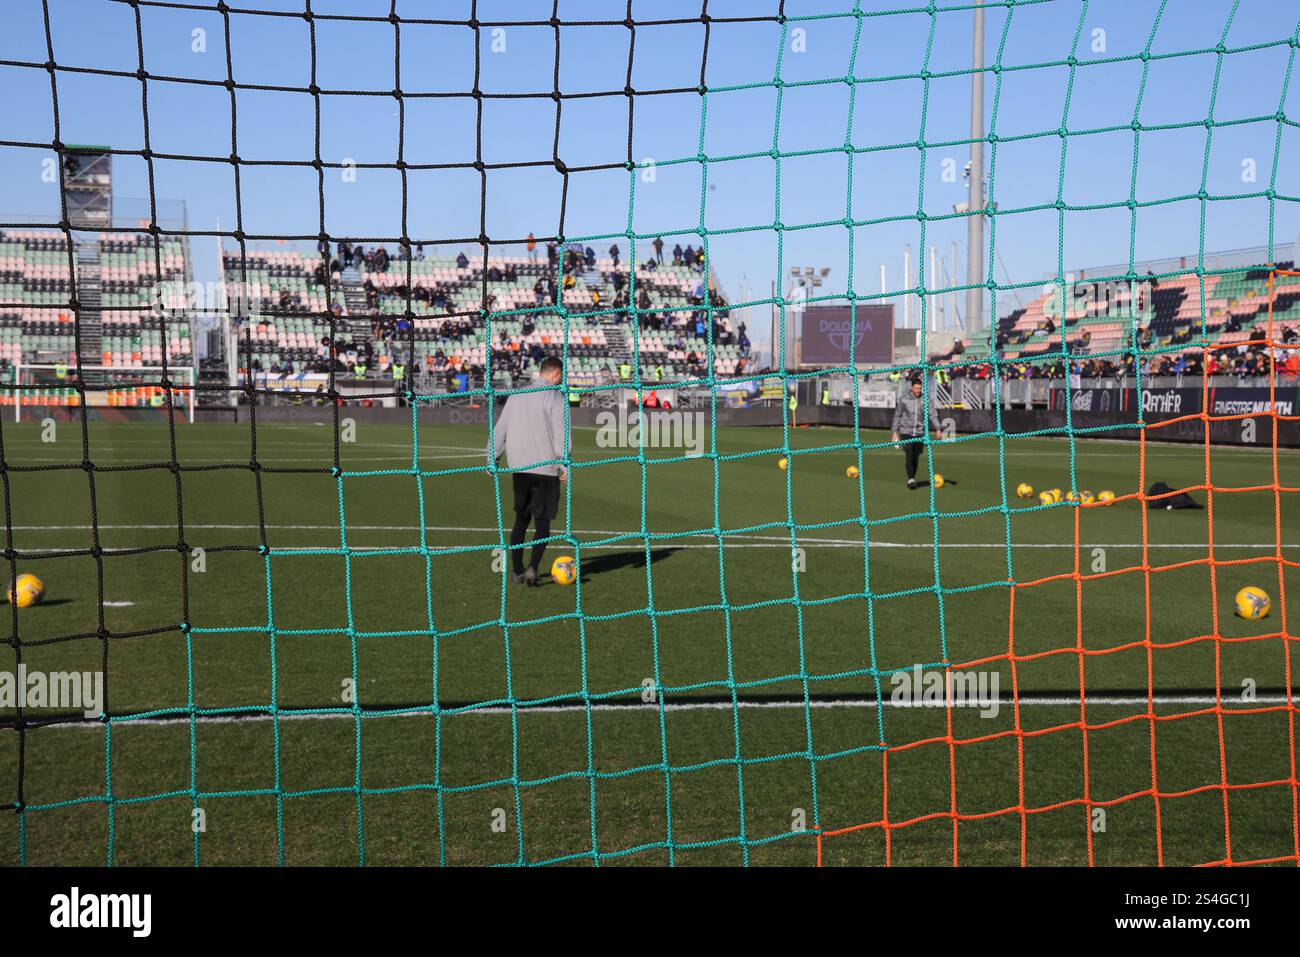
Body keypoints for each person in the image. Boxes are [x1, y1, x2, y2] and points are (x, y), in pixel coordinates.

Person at [490, 355, 570, 586]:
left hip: (521, 469)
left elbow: (500, 429)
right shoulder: (556, 397)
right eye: (560, 376)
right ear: (555, 374)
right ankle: (533, 567)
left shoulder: (517, 395)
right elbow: (561, 436)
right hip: (546, 469)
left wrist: (492, 458)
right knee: (542, 523)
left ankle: (517, 571)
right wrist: (564, 463)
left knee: (521, 520)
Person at [891, 376, 942, 489]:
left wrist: (938, 428)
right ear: (912, 387)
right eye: (916, 388)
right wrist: (895, 432)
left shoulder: (926, 399)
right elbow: (897, 415)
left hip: (920, 432)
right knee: (909, 452)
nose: (918, 390)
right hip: (906, 431)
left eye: (920, 388)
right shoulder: (903, 399)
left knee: (916, 455)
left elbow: (932, 414)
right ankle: (910, 479)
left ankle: (912, 476)